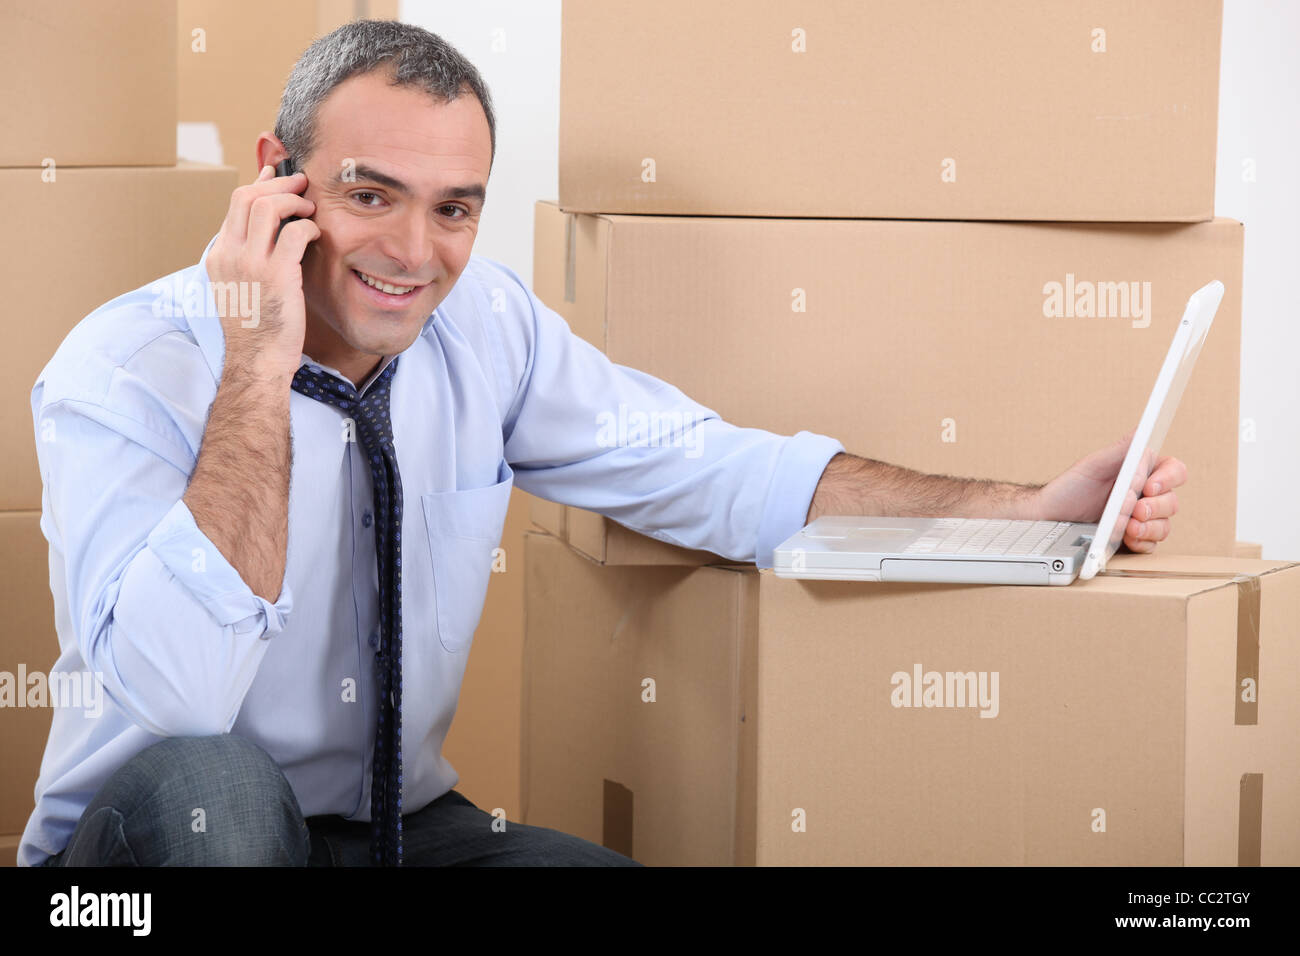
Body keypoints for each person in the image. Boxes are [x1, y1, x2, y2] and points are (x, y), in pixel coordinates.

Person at [19, 21, 1183, 868]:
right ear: (278, 178)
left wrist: (1028, 507)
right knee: (221, 790)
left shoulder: (486, 328)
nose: (415, 250)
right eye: (371, 195)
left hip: (396, 832)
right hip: (137, 864)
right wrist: (258, 366)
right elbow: (174, 695)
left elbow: (715, 468)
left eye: (455, 206)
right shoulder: (123, 369)